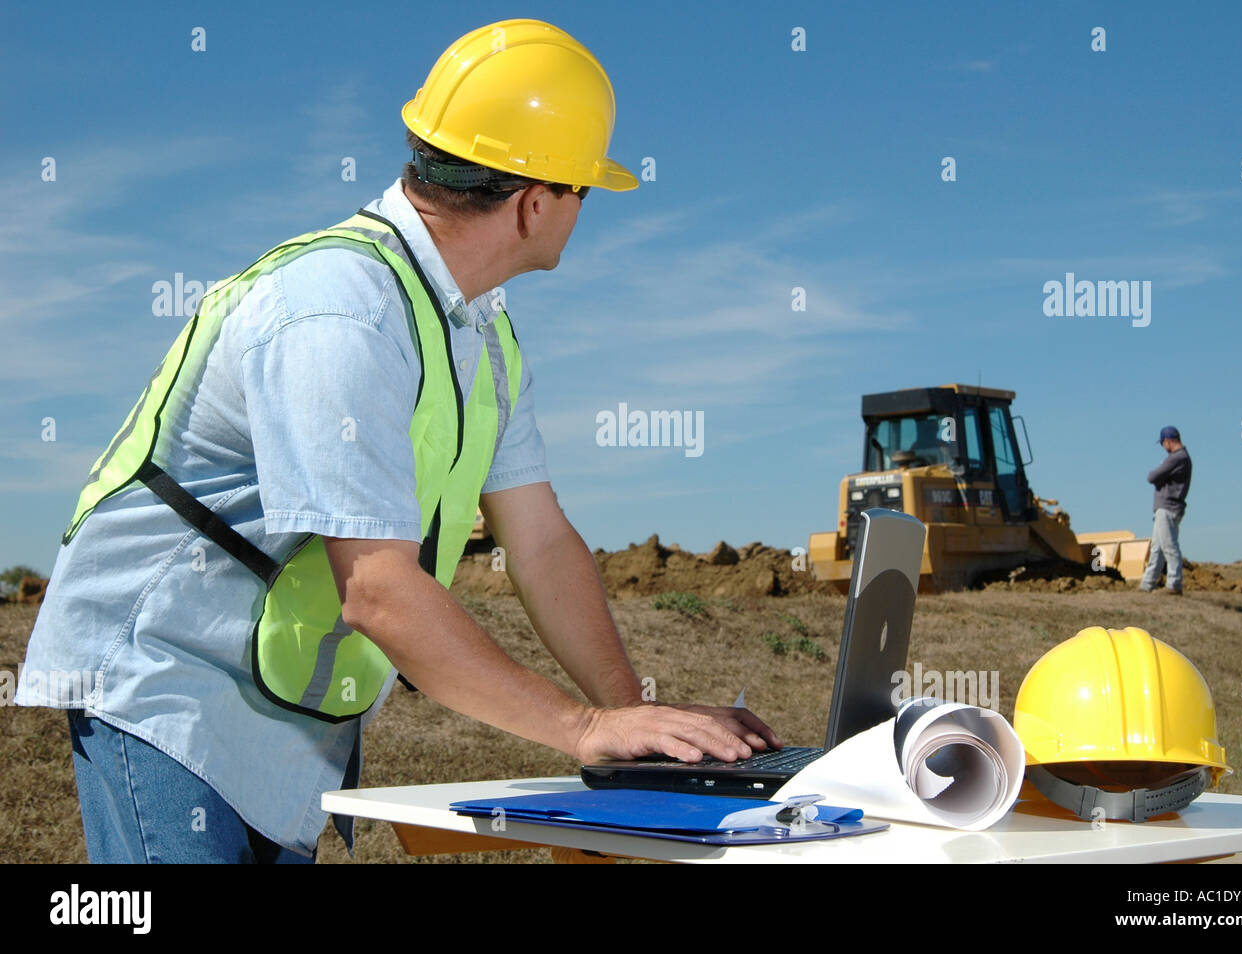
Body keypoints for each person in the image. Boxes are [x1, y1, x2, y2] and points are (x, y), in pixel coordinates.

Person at [16, 19, 779, 864]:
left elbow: (540, 538)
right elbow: (378, 592)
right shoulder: (340, 311)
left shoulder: (481, 335)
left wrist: (637, 722)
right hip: (164, 676)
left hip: (270, 699)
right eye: (583, 191)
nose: (580, 211)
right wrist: (583, 729)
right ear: (535, 203)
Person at [1138, 426, 1192, 595]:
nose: (1163, 447)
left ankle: (1174, 584)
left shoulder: (1177, 458)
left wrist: (1159, 475)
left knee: (1169, 546)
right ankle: (1146, 584)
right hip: (1167, 507)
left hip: (1168, 507)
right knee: (1157, 548)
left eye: (1163, 443)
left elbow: (1152, 477)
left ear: (1168, 441)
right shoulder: (1181, 458)